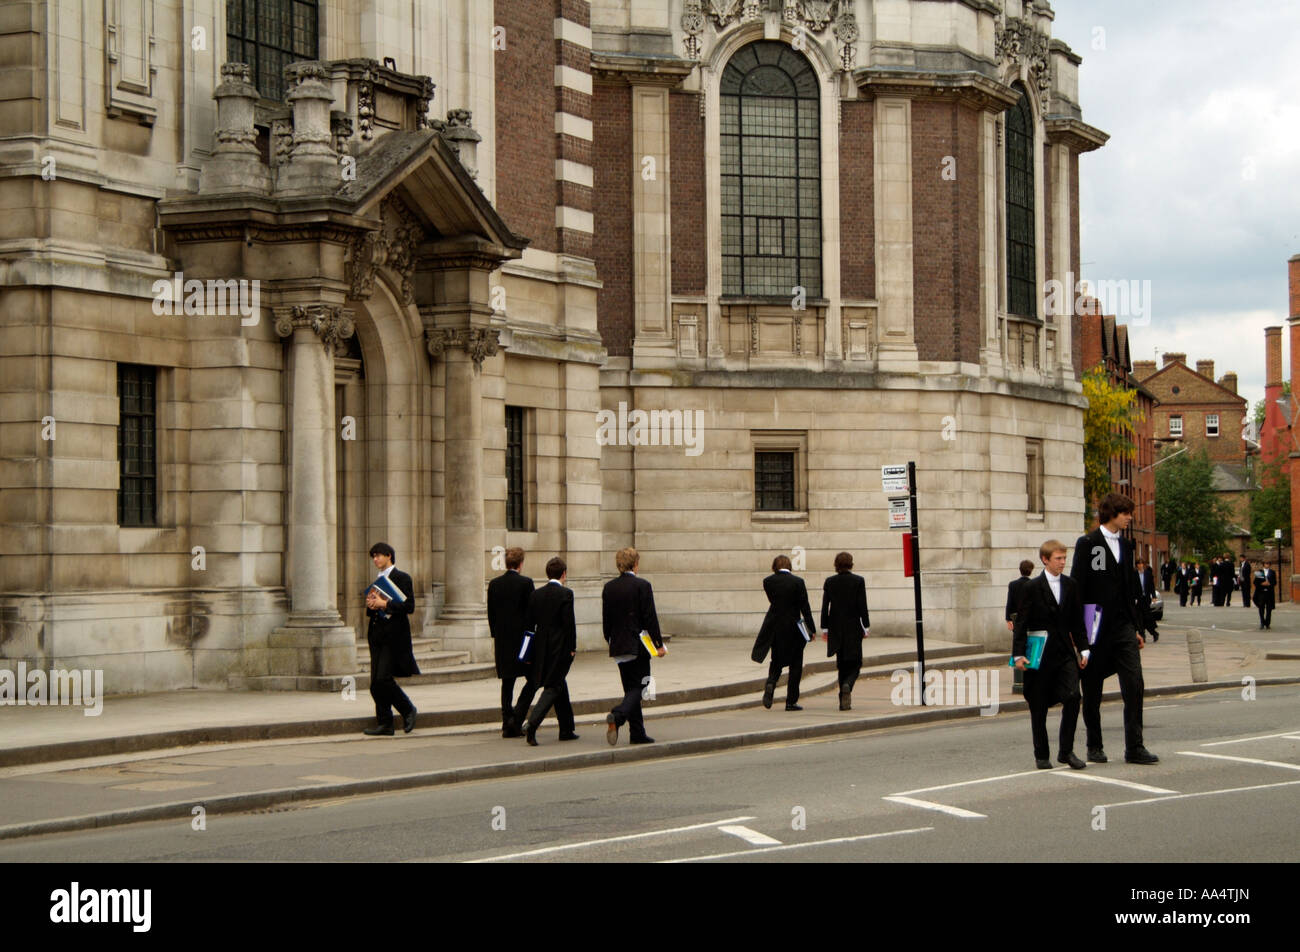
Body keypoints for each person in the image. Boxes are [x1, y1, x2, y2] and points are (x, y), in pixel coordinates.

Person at [1070, 493, 1158, 765]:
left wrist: (1137, 627)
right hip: (1094, 623)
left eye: (1130, 512)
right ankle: (1094, 746)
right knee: (1092, 688)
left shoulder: (1127, 545)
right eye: (1125, 512)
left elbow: (1130, 589)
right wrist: (1079, 635)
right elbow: (1077, 587)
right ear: (1111, 514)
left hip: (1123, 626)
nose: (1130, 517)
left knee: (1134, 684)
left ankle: (1135, 747)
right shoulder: (1088, 543)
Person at [1013, 540, 1087, 770]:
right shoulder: (1031, 588)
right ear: (1045, 560)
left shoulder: (1071, 585)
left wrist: (1084, 649)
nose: (1062, 563)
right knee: (1039, 705)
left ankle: (1066, 751)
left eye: (1064, 558)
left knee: (1074, 697)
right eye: (1058, 558)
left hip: (1065, 652)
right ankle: (1041, 754)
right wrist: (1017, 655)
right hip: (1040, 654)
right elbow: (1021, 623)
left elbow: (1077, 621)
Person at [602, 546, 665, 746]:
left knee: (631, 688)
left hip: (618, 645)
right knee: (643, 685)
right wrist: (658, 645)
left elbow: (606, 620)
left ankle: (637, 732)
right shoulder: (642, 586)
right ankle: (618, 716)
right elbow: (650, 618)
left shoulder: (609, 587)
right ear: (635, 564)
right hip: (637, 644)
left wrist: (609, 639)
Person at [518, 557, 579, 745]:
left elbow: (529, 624)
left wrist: (528, 652)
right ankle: (532, 724)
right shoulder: (566, 594)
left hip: (540, 646)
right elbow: (569, 624)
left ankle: (566, 728)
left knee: (560, 685)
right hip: (558, 647)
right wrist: (572, 648)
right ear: (563, 574)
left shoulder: (536, 594)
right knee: (554, 686)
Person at [362, 542, 419, 736]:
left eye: (378, 556)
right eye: (374, 557)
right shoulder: (378, 580)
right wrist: (371, 604)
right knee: (375, 683)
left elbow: (409, 606)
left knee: (383, 679)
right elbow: (372, 612)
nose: (375, 559)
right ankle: (385, 722)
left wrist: (384, 603)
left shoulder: (402, 578)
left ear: (389, 556)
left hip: (393, 636)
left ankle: (407, 709)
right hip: (376, 635)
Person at [751, 554, 818, 711]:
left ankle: (771, 683)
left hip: (775, 627)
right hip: (794, 628)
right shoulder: (798, 582)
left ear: (775, 566)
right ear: (789, 566)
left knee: (776, 661)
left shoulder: (768, 582)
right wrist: (812, 629)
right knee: (796, 665)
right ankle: (791, 701)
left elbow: (773, 601)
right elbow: (805, 607)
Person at [487, 547, 534, 737]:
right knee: (532, 679)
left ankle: (506, 722)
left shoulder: (495, 584)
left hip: (503, 640)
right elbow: (531, 613)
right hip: (522, 641)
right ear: (521, 564)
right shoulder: (526, 583)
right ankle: (517, 718)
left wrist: (495, 634)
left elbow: (491, 613)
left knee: (507, 683)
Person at [820, 551, 871, 710]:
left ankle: (842, 698)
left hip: (835, 627)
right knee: (856, 662)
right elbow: (862, 605)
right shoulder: (858, 581)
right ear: (851, 564)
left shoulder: (829, 582)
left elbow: (825, 607)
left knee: (841, 663)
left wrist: (825, 627)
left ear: (836, 565)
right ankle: (848, 684)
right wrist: (866, 625)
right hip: (853, 627)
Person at [1135, 557, 1158, 643]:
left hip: (1146, 599)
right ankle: (1142, 635)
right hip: (1138, 599)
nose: (1140, 566)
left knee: (1147, 617)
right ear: (1136, 565)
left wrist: (1154, 596)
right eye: (1138, 564)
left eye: (1142, 564)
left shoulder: (1148, 574)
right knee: (1139, 618)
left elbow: (1151, 586)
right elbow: (1132, 587)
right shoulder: (1134, 574)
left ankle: (1154, 633)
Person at [1253, 565, 1277, 630]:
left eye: (1268, 564)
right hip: (1261, 593)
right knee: (1261, 608)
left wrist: (1269, 584)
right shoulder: (1259, 572)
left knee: (1269, 609)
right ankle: (1262, 623)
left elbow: (1275, 582)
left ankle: (1267, 623)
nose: (1267, 565)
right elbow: (1255, 582)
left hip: (1269, 593)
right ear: (1263, 565)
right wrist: (1262, 584)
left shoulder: (1272, 572)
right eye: (1266, 564)